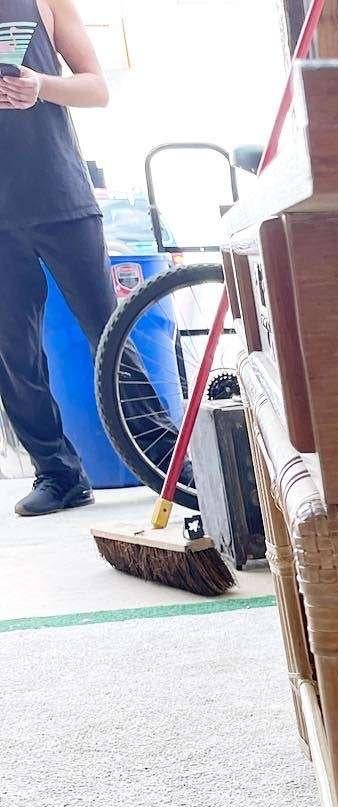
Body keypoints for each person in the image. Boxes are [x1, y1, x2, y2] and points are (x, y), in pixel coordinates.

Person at [0, 0, 181, 517]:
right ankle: (57, 474)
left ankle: (164, 458)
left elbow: (96, 87)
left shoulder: (46, 3)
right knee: (14, 352)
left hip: (58, 194)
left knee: (109, 329)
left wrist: (41, 85)